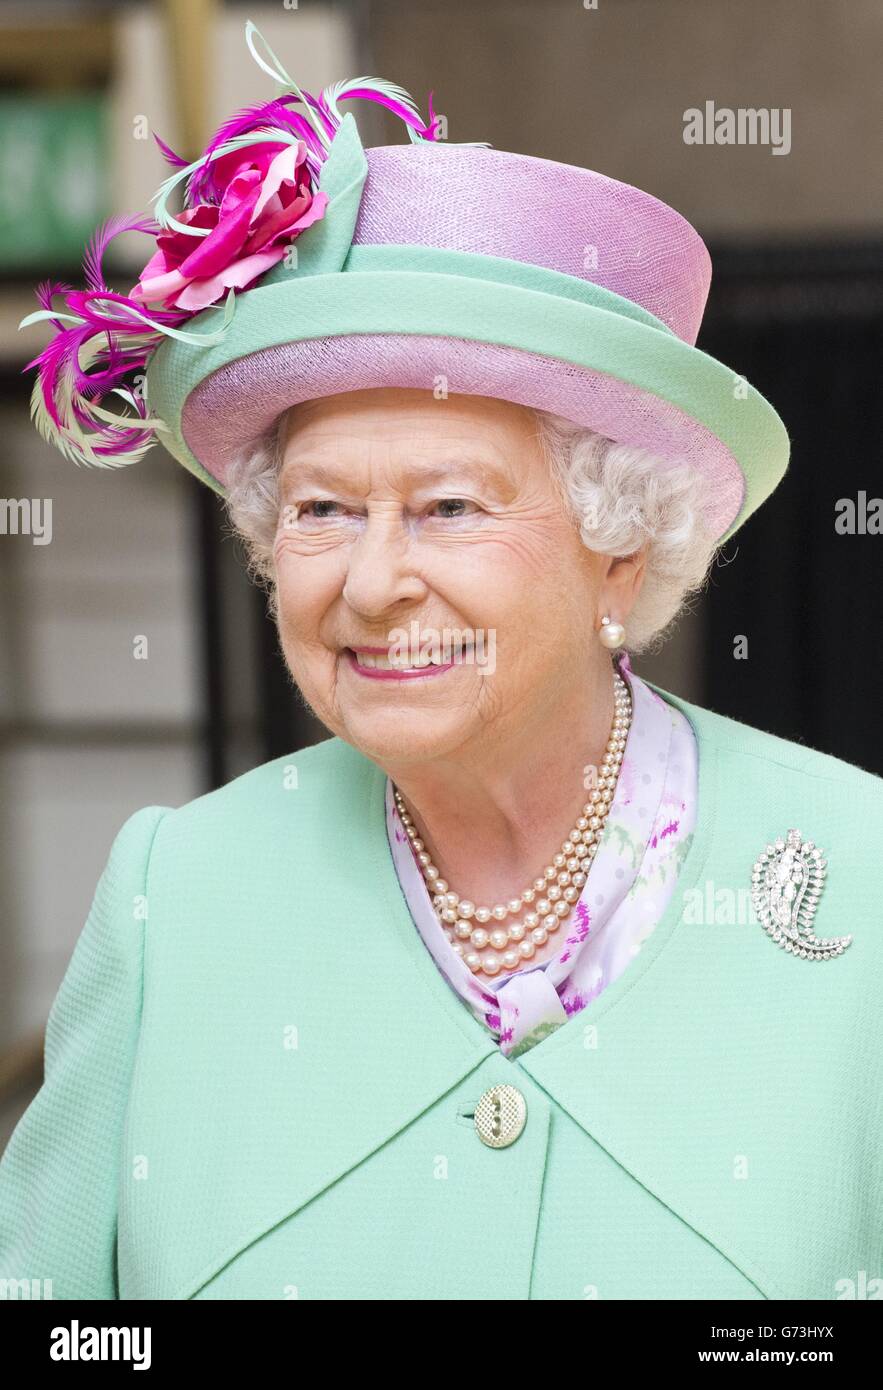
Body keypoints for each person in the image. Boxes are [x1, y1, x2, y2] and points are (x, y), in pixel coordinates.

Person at [2, 21, 880, 1301]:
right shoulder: (171, 900)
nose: (369, 582)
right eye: (320, 512)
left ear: (620, 552)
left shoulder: (857, 878)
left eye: (451, 508)